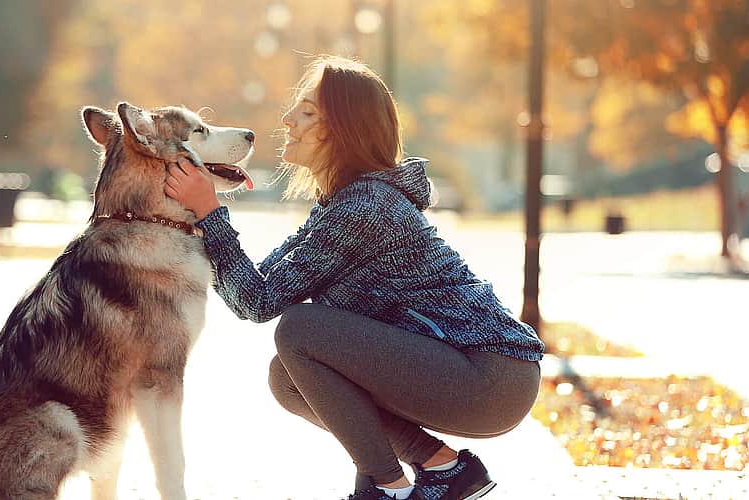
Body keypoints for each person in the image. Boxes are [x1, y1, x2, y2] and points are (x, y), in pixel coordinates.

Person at [163, 55, 544, 500]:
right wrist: (199, 218)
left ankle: (387, 488)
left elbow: (259, 303)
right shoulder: (341, 204)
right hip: (469, 373)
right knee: (288, 378)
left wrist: (210, 212)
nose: (287, 119)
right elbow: (256, 288)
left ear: (343, 129)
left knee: (300, 329)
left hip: (491, 378)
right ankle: (444, 467)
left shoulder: (364, 207)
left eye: (307, 112)